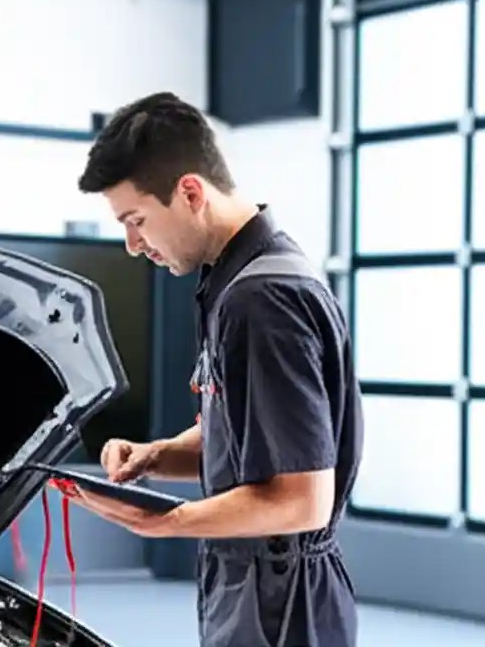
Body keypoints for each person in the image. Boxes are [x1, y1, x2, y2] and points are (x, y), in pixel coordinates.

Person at [63, 92, 364, 647]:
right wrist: (153, 457)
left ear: (191, 192)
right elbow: (249, 435)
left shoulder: (264, 298)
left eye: (136, 221)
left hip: (281, 601)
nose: (133, 245)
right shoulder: (234, 281)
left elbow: (303, 498)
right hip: (254, 583)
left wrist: (167, 521)